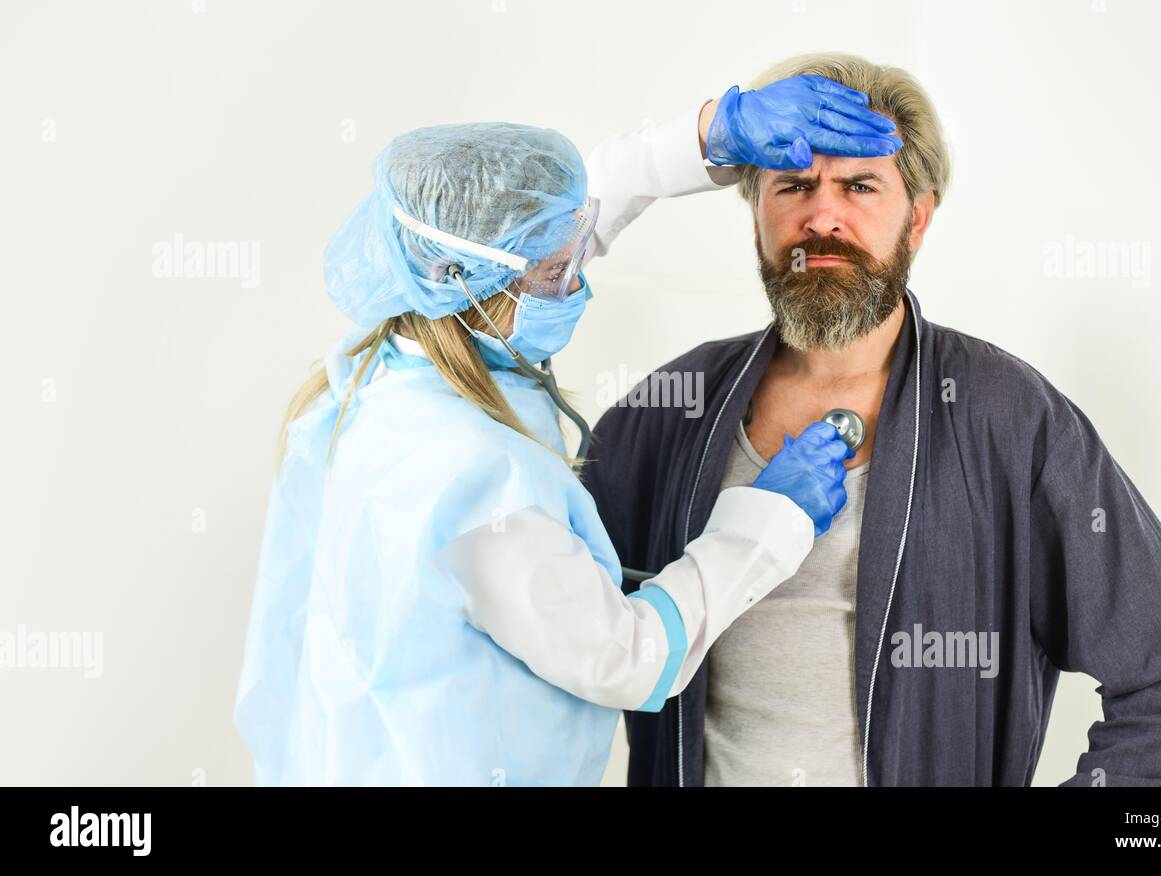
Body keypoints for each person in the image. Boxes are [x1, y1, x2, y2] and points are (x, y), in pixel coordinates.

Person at [579, 52, 1161, 786]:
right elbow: (552, 631)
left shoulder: (1010, 422)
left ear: (917, 218)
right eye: (791, 185)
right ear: (756, 213)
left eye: (859, 185)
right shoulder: (667, 413)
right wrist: (693, 137)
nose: (821, 215)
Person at [232, 111, 897, 785]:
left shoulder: (375, 371)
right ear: (459, 279)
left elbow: (537, 223)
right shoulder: (474, 474)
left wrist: (706, 135)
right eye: (557, 270)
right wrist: (765, 521)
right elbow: (630, 657)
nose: (575, 283)